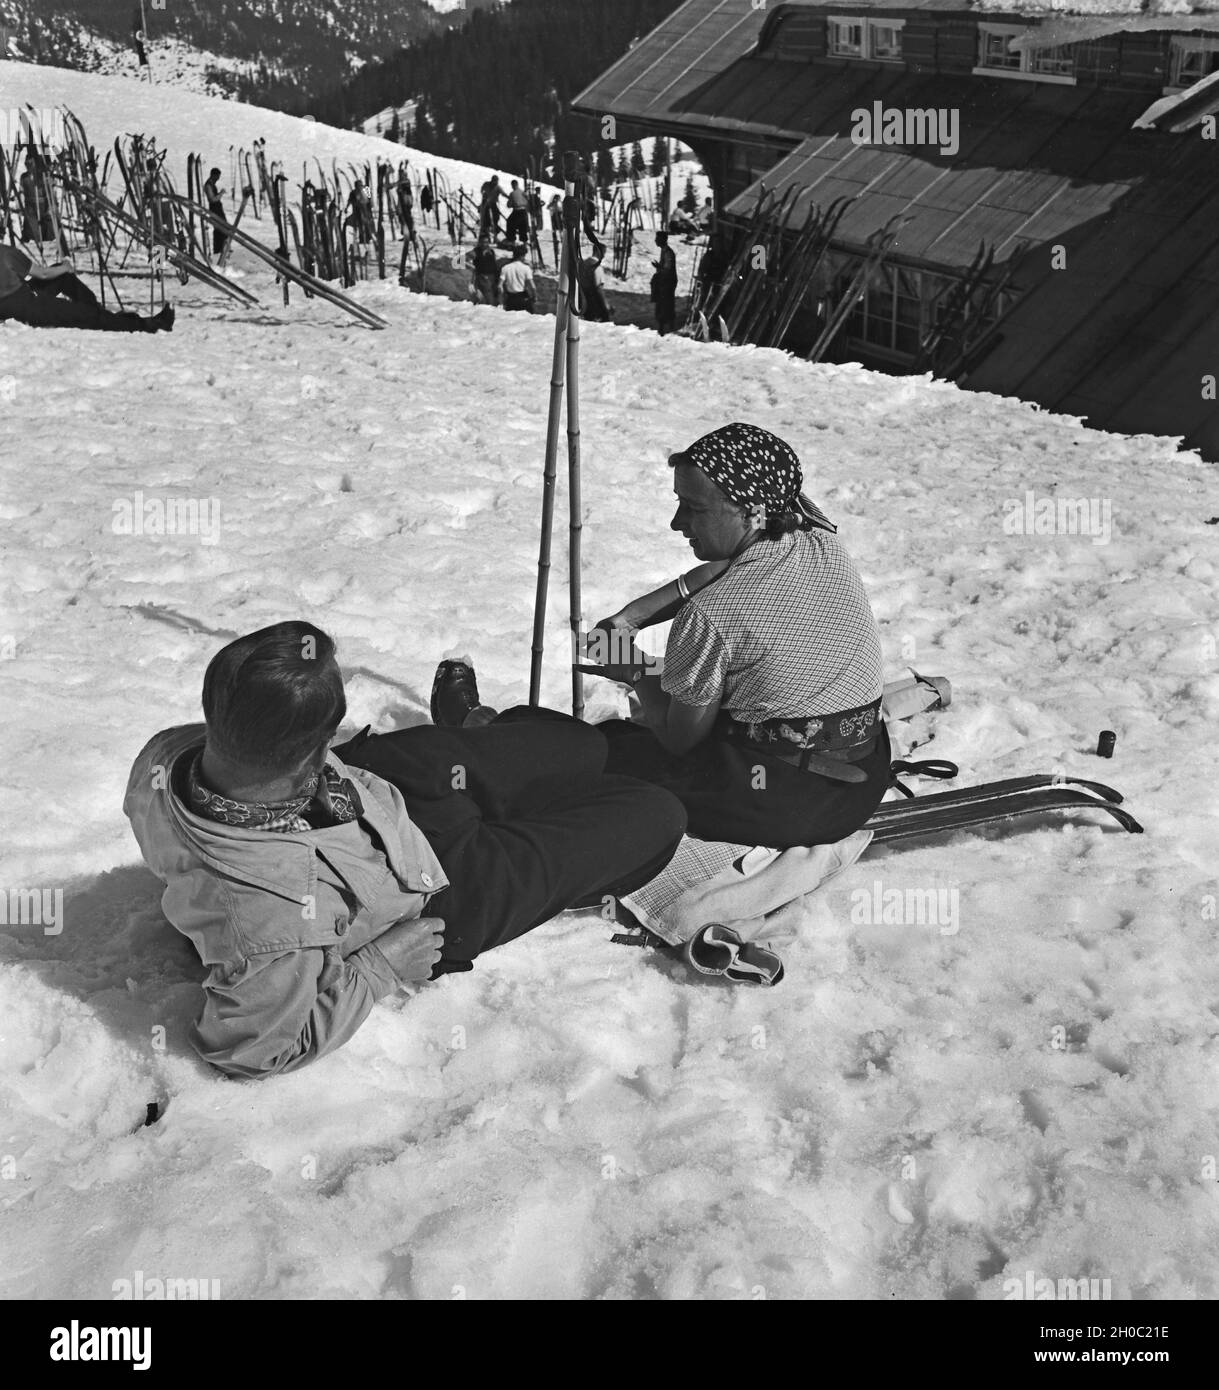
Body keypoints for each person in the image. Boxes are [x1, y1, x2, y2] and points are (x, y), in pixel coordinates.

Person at [122, 621, 685, 1078]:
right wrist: (380, 966)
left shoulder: (171, 754)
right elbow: (249, 1053)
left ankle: (475, 729)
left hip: (378, 791)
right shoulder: (269, 923)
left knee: (579, 744)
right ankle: (560, 855)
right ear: (312, 752)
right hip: (438, 891)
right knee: (657, 813)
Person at [585, 422, 889, 849]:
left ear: (752, 511)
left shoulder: (710, 616)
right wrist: (632, 617)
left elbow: (680, 740)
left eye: (694, 508)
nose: (677, 522)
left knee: (604, 749)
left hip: (783, 807)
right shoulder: (816, 534)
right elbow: (733, 564)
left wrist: (632, 668)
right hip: (863, 784)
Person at [0, 244, 174, 333]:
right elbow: (43, 274)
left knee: (63, 277)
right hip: (26, 306)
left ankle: (99, 313)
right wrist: (66, 266)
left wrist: (61, 269)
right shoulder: (6, 253)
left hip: (14, 300)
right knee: (83, 315)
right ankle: (149, 324)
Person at [576, 242, 612, 322]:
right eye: (603, 253)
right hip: (594, 304)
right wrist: (605, 306)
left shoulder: (582, 264)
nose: (604, 255)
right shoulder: (597, 267)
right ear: (598, 252)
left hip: (581, 302)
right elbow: (598, 288)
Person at [650, 230, 678, 335]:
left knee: (665, 304)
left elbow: (667, 270)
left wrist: (658, 267)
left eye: (657, 238)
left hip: (668, 282)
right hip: (664, 281)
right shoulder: (664, 251)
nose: (655, 240)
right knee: (663, 304)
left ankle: (666, 326)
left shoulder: (668, 253)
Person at [201, 167, 229, 257]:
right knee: (219, 228)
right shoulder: (208, 185)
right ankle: (218, 249)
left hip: (218, 209)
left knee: (223, 227)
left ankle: (222, 248)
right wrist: (220, 194)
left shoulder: (212, 184)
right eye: (217, 177)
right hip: (214, 210)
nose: (218, 179)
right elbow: (212, 199)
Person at [499, 243, 535, 312]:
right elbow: (533, 286)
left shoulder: (505, 268)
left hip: (510, 299)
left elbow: (499, 286)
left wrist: (501, 300)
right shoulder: (526, 268)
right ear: (522, 256)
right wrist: (534, 296)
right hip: (523, 298)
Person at [469, 232, 500, 306]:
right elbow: (458, 261)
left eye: (486, 242)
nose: (484, 244)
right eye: (482, 242)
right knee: (489, 300)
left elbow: (494, 264)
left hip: (493, 278)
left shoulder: (491, 251)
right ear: (479, 242)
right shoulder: (476, 252)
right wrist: (472, 267)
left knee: (495, 298)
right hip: (483, 278)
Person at [505, 179, 530, 247]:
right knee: (523, 226)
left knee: (510, 223)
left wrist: (512, 203)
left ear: (512, 185)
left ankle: (511, 240)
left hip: (517, 211)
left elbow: (509, 205)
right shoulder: (522, 192)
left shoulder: (512, 193)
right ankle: (524, 242)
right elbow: (528, 199)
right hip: (524, 211)